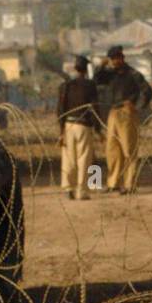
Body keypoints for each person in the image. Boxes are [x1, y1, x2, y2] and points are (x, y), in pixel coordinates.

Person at [94, 45, 152, 194]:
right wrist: (101, 65)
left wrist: (137, 106)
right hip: (113, 112)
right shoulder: (110, 74)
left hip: (127, 112)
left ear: (122, 58)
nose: (114, 62)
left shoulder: (133, 74)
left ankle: (129, 184)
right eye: (112, 59)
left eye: (116, 59)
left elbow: (147, 91)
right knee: (112, 149)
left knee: (129, 150)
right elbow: (96, 80)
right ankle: (113, 183)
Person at [57, 55, 102, 201]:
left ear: (75, 69)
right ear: (85, 70)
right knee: (84, 158)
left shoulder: (66, 86)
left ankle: (68, 188)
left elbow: (60, 109)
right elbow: (94, 107)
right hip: (83, 125)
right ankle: (82, 190)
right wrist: (98, 129)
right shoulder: (90, 85)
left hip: (68, 124)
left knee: (68, 158)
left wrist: (61, 130)